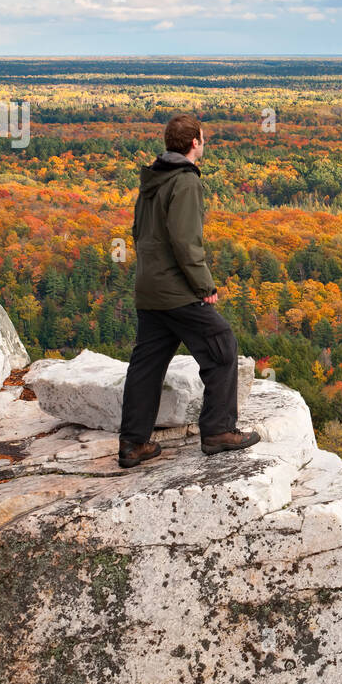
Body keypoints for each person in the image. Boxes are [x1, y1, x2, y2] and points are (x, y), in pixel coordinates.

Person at [118, 112, 260, 469]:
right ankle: (218, 432)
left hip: (149, 288)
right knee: (222, 346)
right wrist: (203, 286)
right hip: (176, 290)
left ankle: (133, 444)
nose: (204, 142)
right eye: (203, 137)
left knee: (146, 365)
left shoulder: (152, 180)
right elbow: (185, 241)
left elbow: (138, 233)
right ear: (195, 142)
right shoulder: (185, 182)